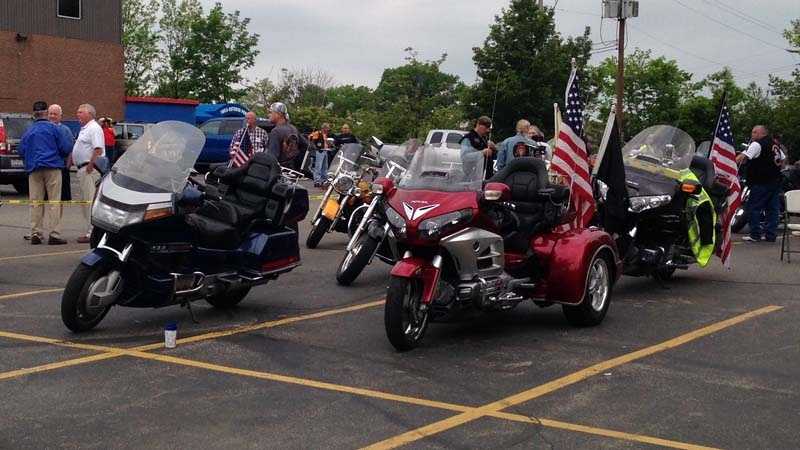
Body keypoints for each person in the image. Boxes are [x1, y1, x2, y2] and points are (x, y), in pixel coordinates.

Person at [18, 101, 72, 245]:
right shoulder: (54, 129)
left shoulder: (29, 131)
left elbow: (21, 150)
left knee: (35, 201)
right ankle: (54, 233)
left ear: (34, 114)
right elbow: (66, 148)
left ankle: (36, 232)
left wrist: (29, 159)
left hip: (34, 168)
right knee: (54, 201)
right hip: (53, 167)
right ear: (46, 112)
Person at [736, 125, 784, 242]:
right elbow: (783, 158)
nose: (752, 135)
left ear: (761, 133)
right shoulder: (774, 144)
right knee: (772, 209)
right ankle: (770, 235)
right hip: (775, 181)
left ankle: (755, 234)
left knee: (754, 207)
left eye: (754, 132)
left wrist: (732, 161)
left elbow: (744, 158)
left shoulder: (757, 144)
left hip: (761, 182)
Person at [73, 103, 106, 244]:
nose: (77, 114)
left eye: (80, 112)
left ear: (90, 114)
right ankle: (90, 230)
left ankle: (92, 233)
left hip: (89, 169)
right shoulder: (85, 129)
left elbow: (98, 149)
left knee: (90, 202)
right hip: (83, 168)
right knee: (85, 202)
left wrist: (90, 165)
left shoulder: (94, 128)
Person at [48, 104, 75, 221]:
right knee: (43, 200)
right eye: (50, 113)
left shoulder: (65, 130)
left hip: (61, 169)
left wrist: (67, 166)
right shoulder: (44, 128)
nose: (52, 116)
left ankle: (55, 226)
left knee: (59, 200)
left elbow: (71, 150)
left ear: (60, 116)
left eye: (55, 114)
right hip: (46, 168)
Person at [267, 102, 304, 169]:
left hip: (279, 172)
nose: (268, 115)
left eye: (270, 112)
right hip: (293, 171)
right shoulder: (294, 128)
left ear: (279, 114)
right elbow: (306, 145)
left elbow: (272, 158)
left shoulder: (276, 131)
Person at [309, 123, 333, 187]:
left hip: (325, 150)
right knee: (318, 166)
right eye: (327, 128)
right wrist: (315, 147)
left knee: (325, 166)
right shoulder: (318, 133)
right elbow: (310, 138)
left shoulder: (325, 134)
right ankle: (317, 181)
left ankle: (323, 180)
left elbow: (326, 142)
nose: (328, 130)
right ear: (324, 128)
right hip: (319, 151)